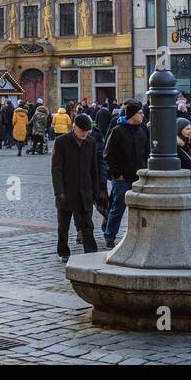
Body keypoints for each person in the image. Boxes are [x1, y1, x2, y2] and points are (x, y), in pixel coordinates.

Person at [51, 113, 101, 263]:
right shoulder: (61, 142)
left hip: (85, 190)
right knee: (63, 226)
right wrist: (59, 191)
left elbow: (94, 168)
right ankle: (63, 251)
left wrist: (96, 190)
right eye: (82, 131)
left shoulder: (90, 142)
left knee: (87, 224)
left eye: (87, 132)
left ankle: (91, 251)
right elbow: (56, 169)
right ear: (74, 127)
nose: (85, 134)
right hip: (66, 190)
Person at [101, 101, 148, 248]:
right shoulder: (117, 131)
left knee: (141, 207)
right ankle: (110, 236)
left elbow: (146, 151)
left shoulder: (142, 130)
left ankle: (139, 234)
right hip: (121, 177)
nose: (142, 115)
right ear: (132, 115)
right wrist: (117, 173)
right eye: (140, 113)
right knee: (118, 207)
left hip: (139, 176)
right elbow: (108, 154)